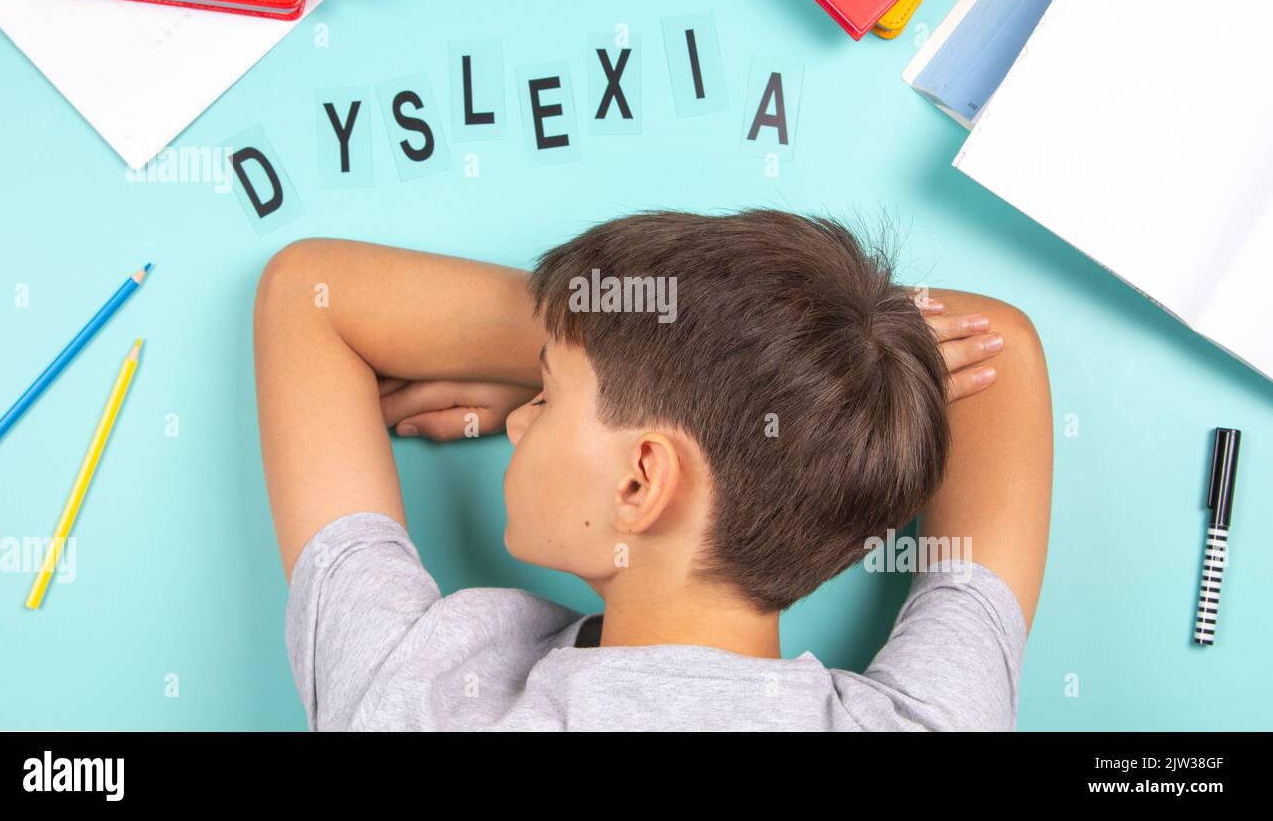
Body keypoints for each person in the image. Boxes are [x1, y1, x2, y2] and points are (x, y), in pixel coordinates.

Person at [254, 208, 1052, 730]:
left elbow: (309, 291)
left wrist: (621, 329)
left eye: (548, 392)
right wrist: (665, 363)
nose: (520, 414)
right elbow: (1001, 354)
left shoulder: (418, 696)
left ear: (639, 481)